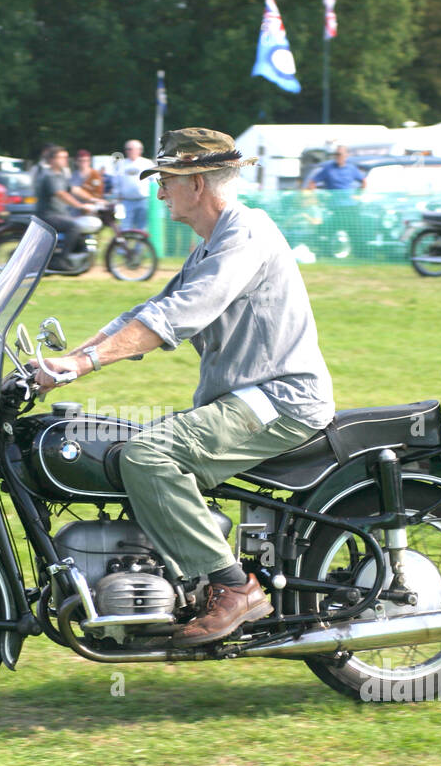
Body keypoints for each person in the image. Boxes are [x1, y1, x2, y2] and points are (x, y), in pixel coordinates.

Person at [34, 128, 335, 648]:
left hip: (281, 400)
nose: (158, 192)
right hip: (247, 399)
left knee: (148, 455)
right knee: (132, 447)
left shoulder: (244, 236)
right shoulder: (212, 245)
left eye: (167, 181)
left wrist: (83, 364)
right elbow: (146, 312)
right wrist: (68, 360)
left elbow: (178, 317)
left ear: (197, 183)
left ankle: (235, 588)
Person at [35, 145, 97, 257]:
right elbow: (61, 194)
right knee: (74, 226)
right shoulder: (50, 176)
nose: (65, 160)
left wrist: (94, 199)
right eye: (61, 157)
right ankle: (63, 259)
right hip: (49, 216)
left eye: (66, 157)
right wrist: (80, 206)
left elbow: (74, 189)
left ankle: (78, 258)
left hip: (60, 214)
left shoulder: (61, 174)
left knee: (81, 227)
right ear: (52, 160)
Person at [110, 139, 154, 230]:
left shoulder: (147, 163)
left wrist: (153, 197)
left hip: (144, 200)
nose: (129, 151)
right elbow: (116, 182)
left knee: (142, 227)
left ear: (140, 150)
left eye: (132, 149)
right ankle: (124, 244)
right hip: (126, 201)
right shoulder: (121, 164)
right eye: (127, 149)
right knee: (125, 227)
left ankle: (139, 244)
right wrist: (117, 196)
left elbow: (154, 181)